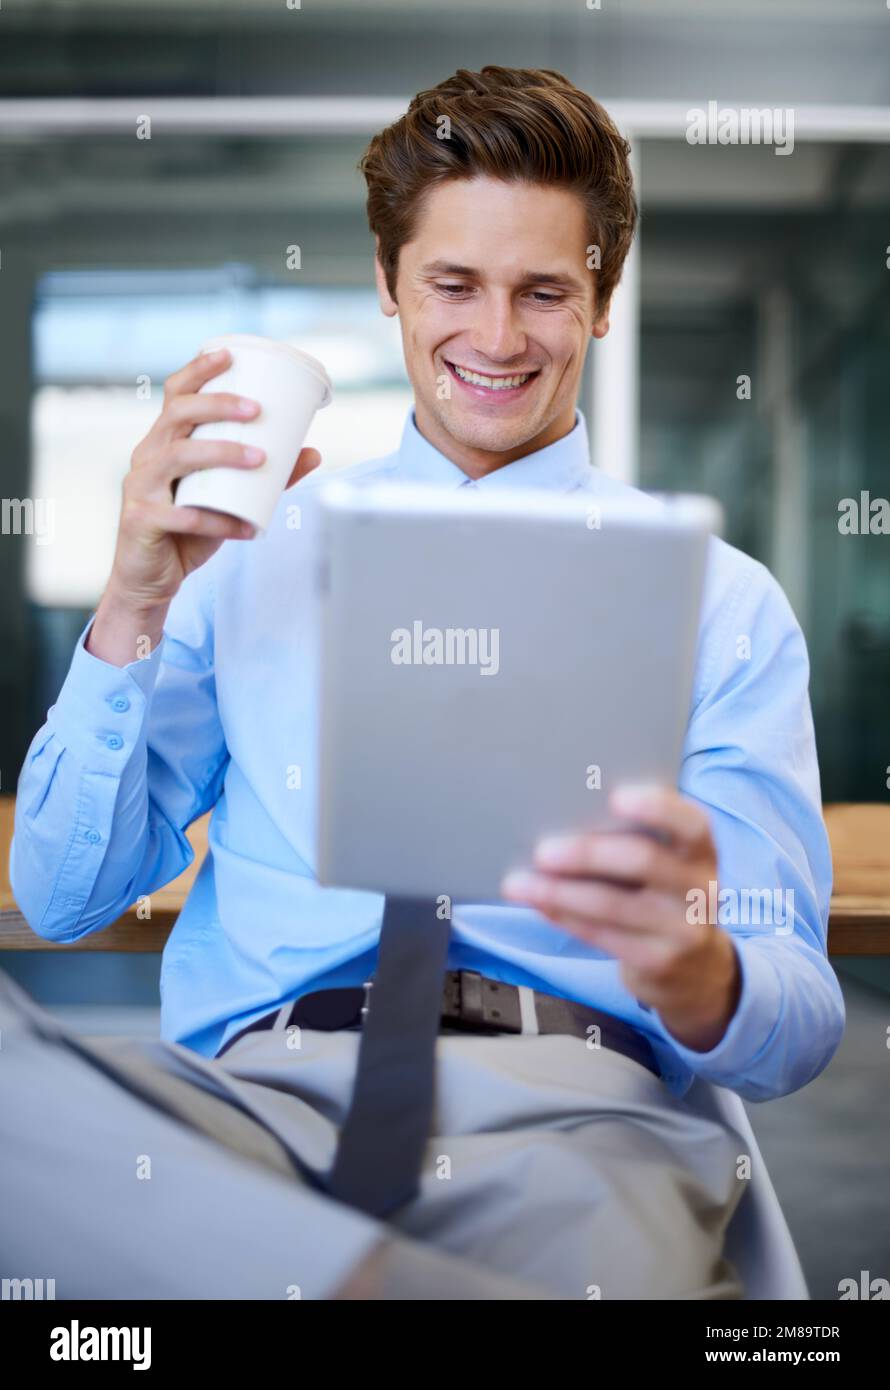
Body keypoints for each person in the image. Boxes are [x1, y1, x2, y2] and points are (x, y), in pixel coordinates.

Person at [3, 65, 843, 1300]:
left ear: (600, 300)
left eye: (543, 291)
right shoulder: (241, 558)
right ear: (389, 282)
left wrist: (704, 974)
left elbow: (797, 1016)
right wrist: (131, 600)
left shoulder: (721, 607)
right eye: (453, 283)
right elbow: (63, 896)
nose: (496, 338)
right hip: (249, 1107)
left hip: (575, 1120)